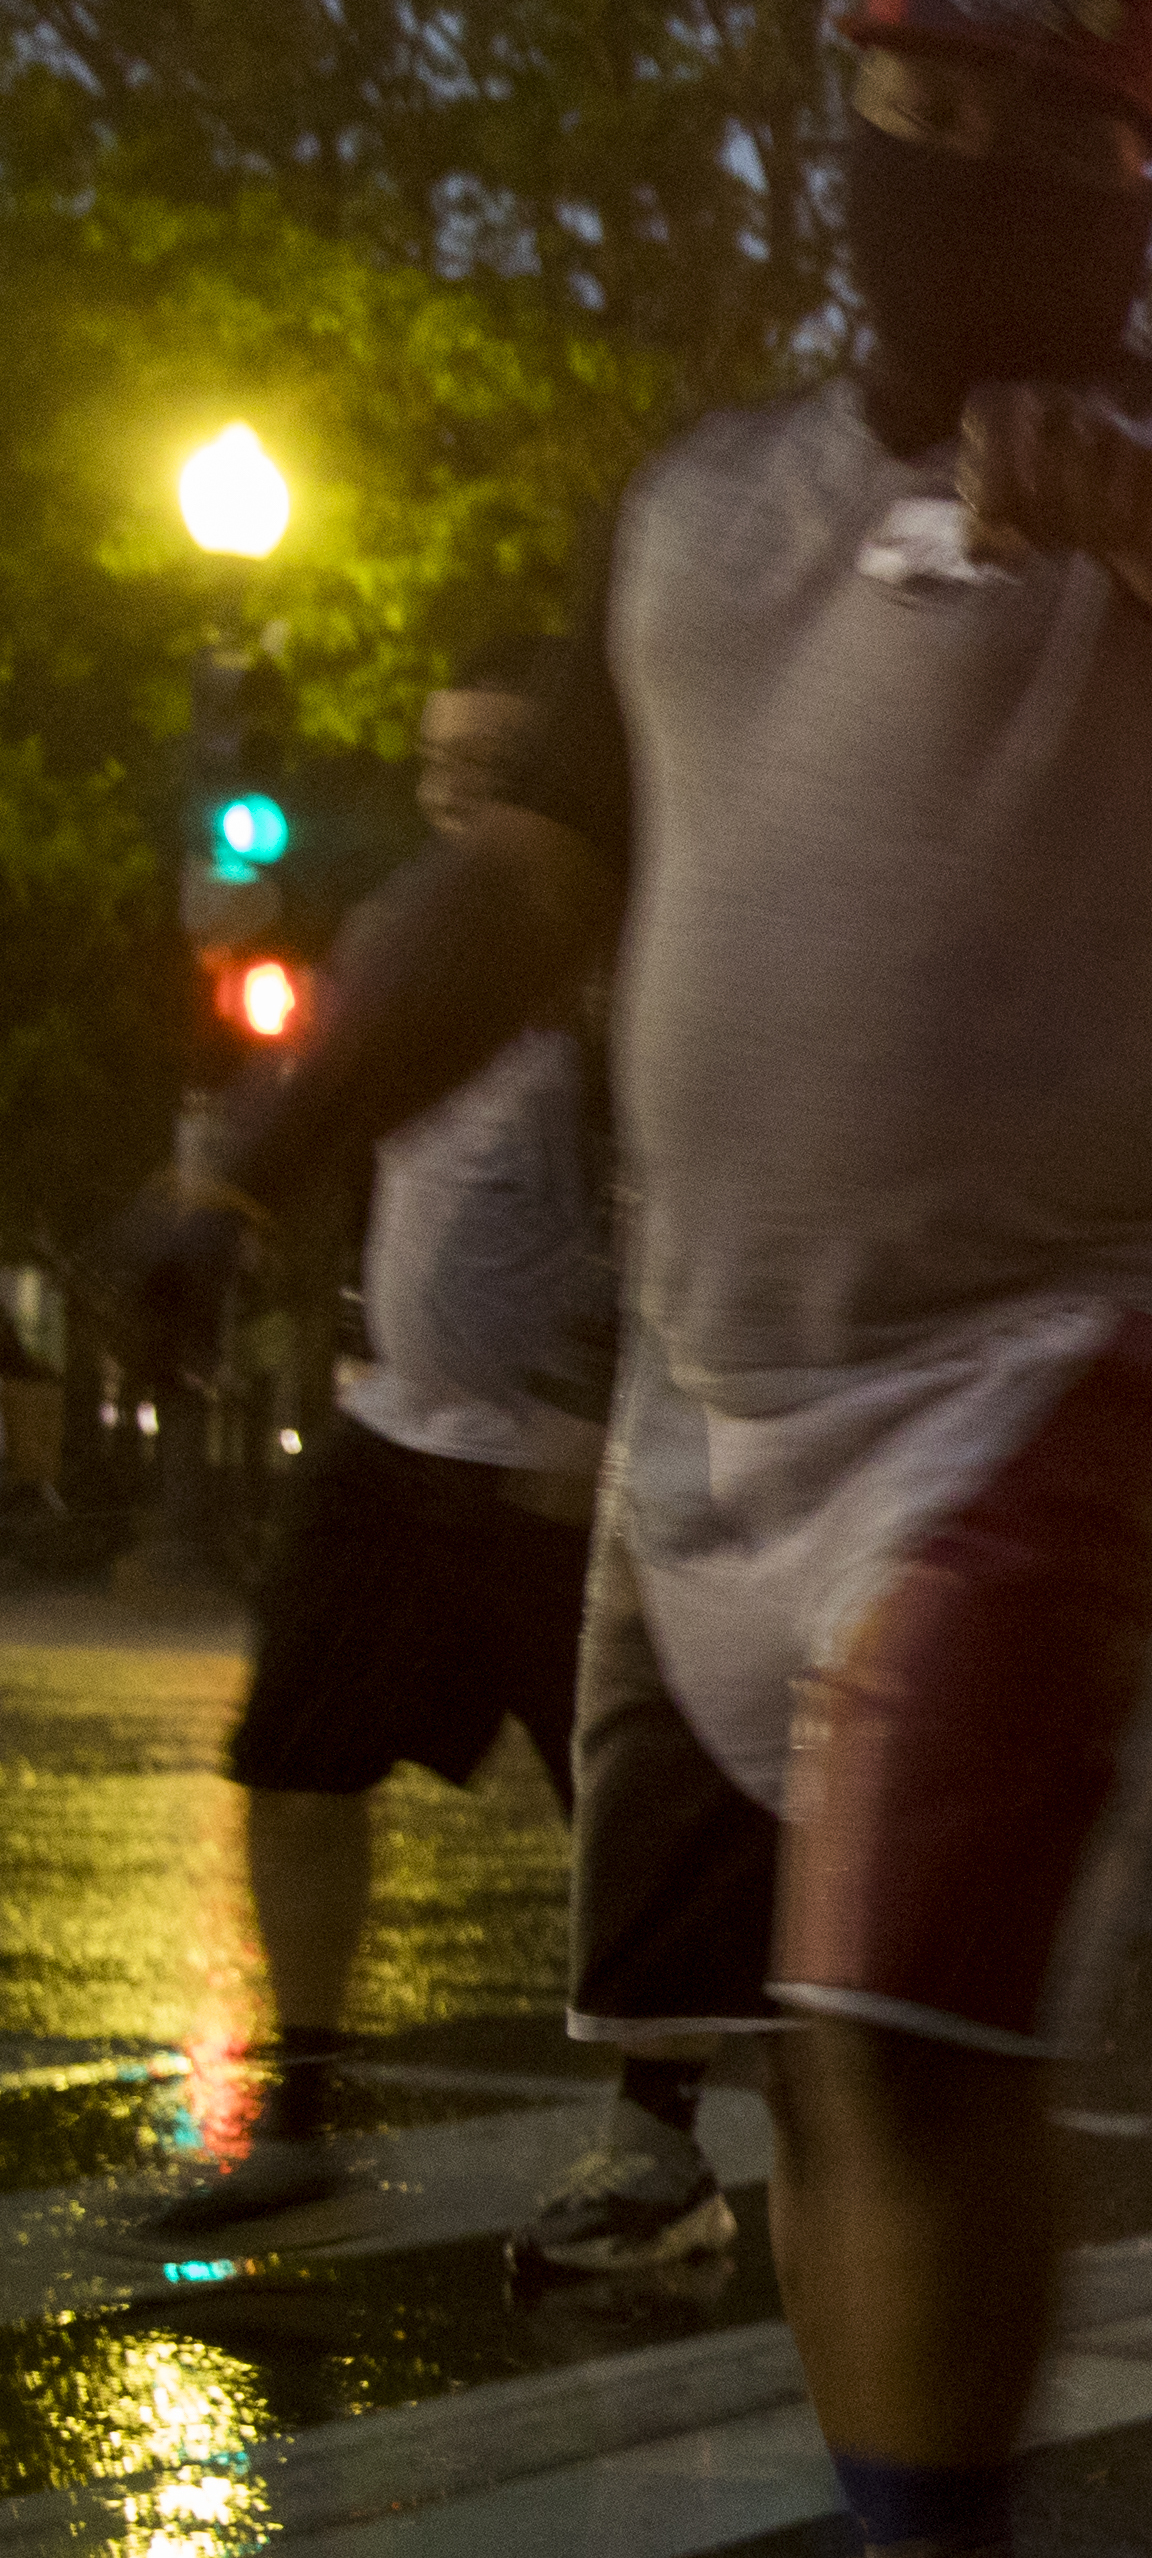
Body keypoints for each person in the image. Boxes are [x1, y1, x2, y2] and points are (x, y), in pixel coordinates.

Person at [108, 0, 1152, 2558]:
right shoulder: (693, 515)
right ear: (847, 131)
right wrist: (245, 1162)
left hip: (1070, 1355)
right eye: (925, 119)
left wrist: (1146, 501)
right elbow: (525, 887)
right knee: (803, 2066)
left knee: (905, 2038)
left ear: (1145, 189)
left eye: (1056, 143)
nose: (977, 180)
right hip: (702, 1416)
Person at [116, 641, 730, 2281]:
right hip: (397, 1435)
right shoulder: (408, 949)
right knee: (292, 1758)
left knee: (630, 1817)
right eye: (438, 761)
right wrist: (229, 1223)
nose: (460, 790)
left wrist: (606, 1421)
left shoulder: (626, 971)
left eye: (498, 765)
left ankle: (663, 2144)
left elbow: (677, 1210)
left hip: (570, 1470)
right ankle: (301, 2118)